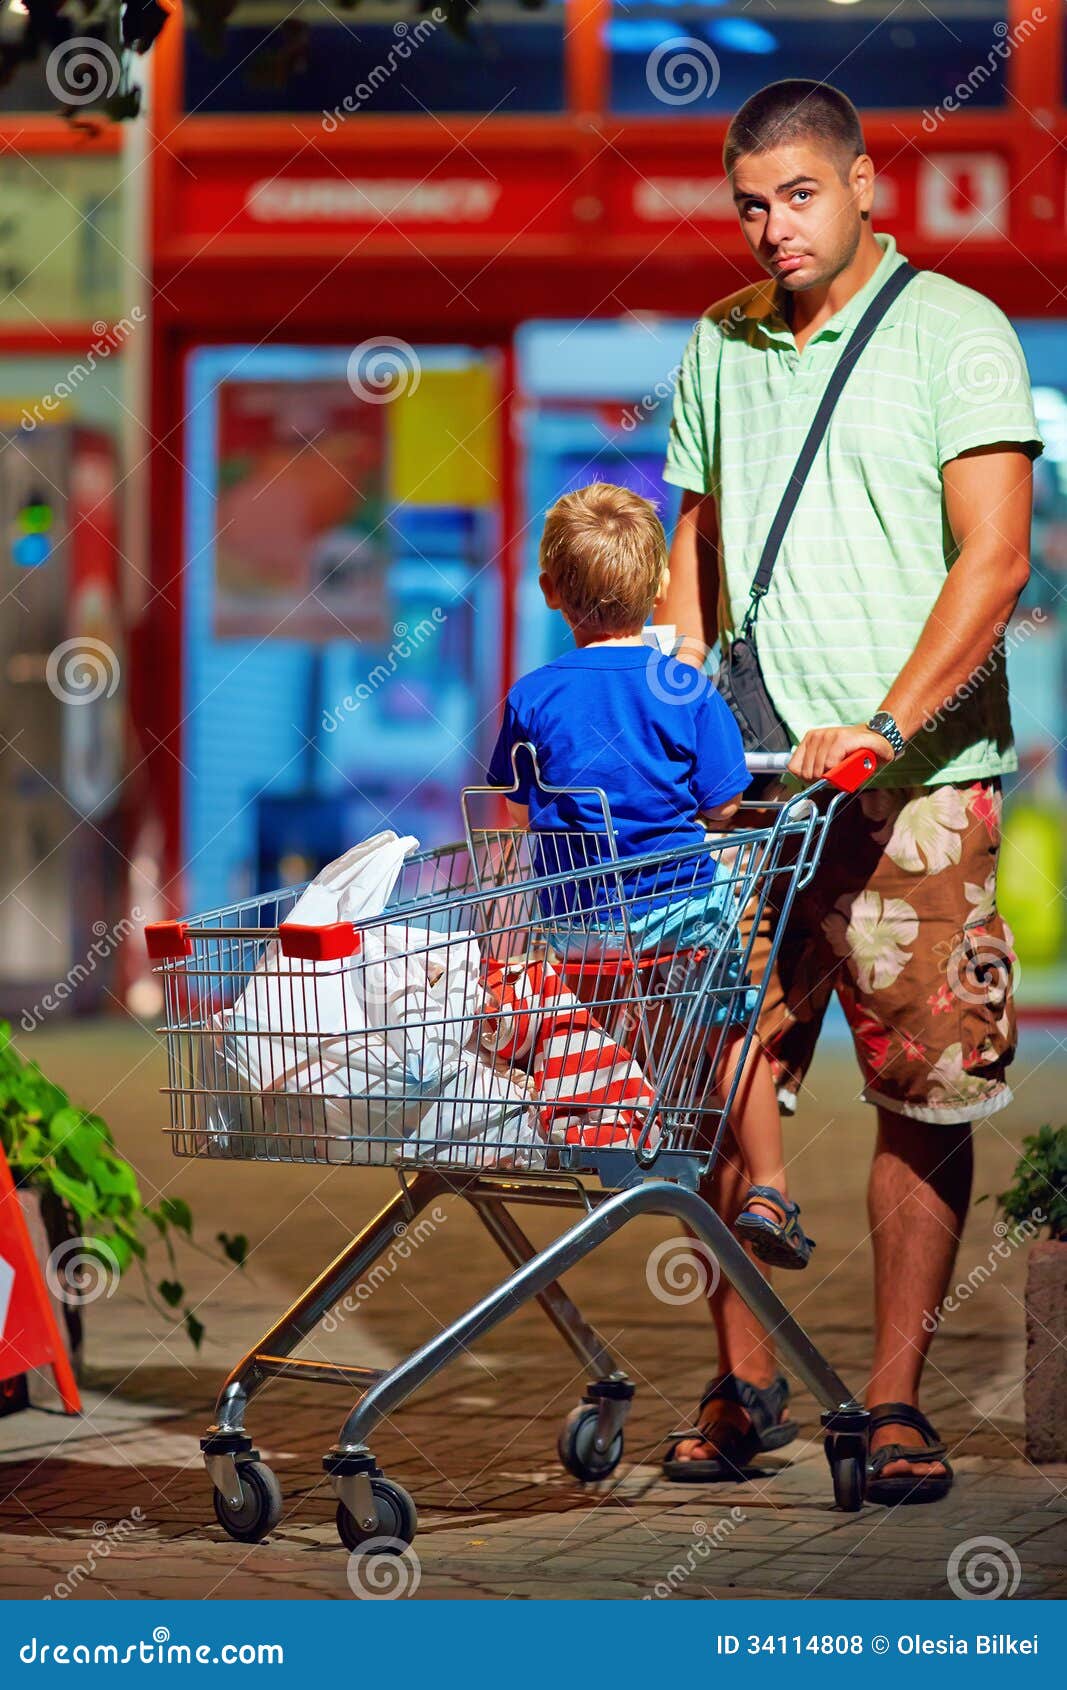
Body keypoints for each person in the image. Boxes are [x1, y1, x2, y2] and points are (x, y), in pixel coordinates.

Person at [660, 78, 1043, 1500]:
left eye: (798, 194)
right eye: (750, 204)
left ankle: (889, 1398)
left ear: (865, 183)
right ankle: (744, 1376)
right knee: (714, 1077)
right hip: (751, 786)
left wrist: (883, 725)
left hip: (916, 790)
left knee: (921, 1091)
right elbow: (692, 556)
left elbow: (992, 559)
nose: (772, 227)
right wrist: (672, 714)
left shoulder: (955, 333)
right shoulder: (716, 344)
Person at [486, 481, 816, 1267]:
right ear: (661, 587)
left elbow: (512, 795)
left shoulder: (534, 693)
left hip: (577, 927)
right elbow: (725, 803)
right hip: (675, 915)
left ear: (550, 592)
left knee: (615, 1011)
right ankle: (768, 1182)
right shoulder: (683, 688)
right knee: (731, 1032)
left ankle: (614, 1117)